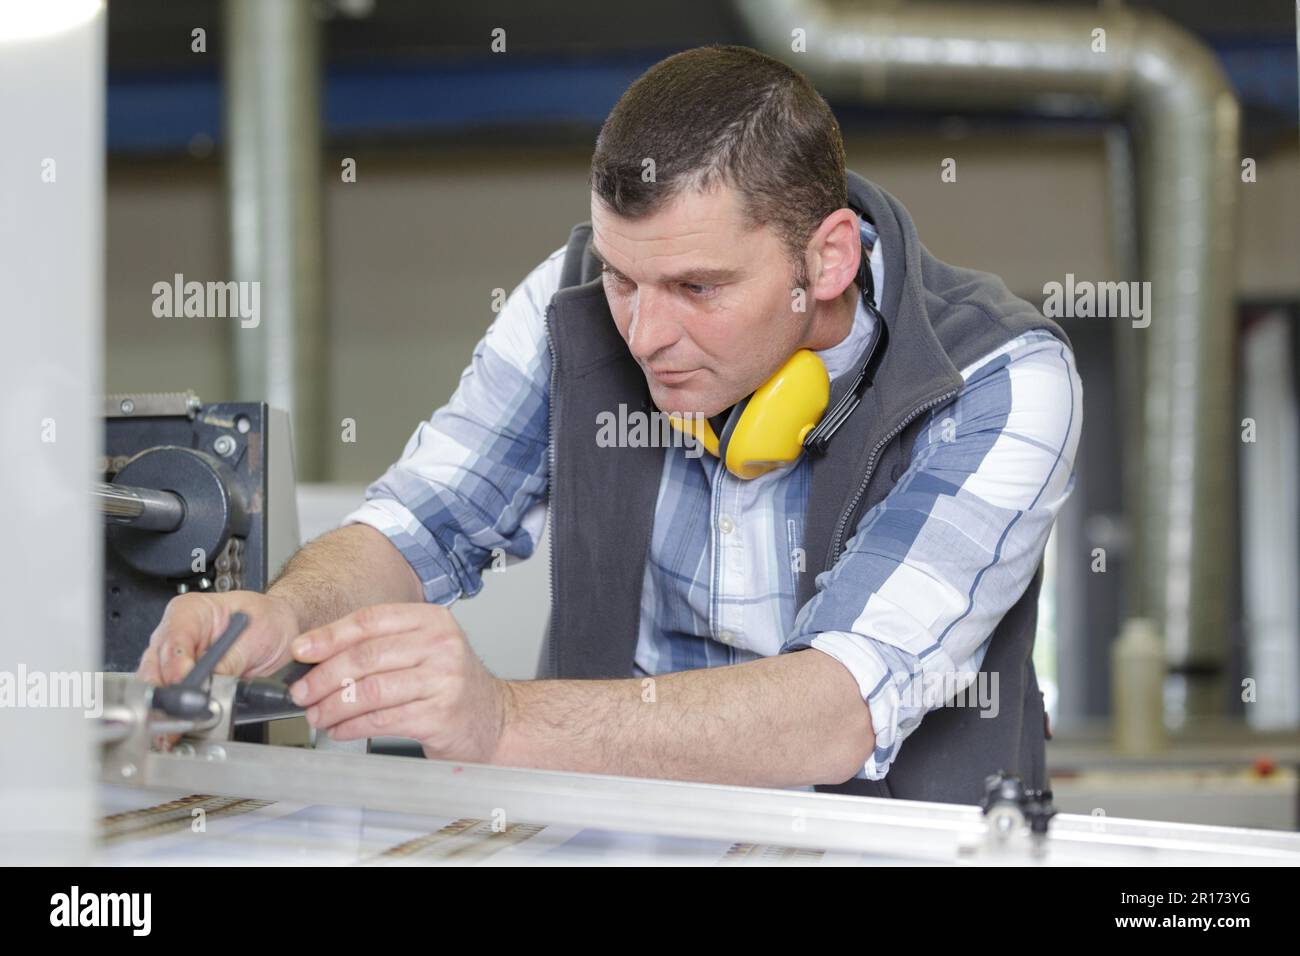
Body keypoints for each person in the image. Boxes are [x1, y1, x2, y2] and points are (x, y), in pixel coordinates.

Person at [140, 45, 1082, 804]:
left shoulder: (995, 381)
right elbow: (426, 517)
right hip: (626, 841)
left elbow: (840, 706)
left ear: (828, 259)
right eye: (627, 279)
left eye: (698, 288)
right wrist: (283, 612)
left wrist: (503, 722)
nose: (644, 332)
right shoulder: (573, 296)